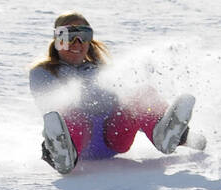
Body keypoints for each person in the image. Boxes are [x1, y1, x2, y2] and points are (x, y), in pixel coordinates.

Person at [30, 13, 206, 175]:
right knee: (68, 112)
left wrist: (190, 139)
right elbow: (48, 105)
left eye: (84, 37)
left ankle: (168, 136)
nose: (77, 43)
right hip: (75, 141)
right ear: (57, 40)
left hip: (114, 137)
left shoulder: (102, 70)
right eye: (68, 36)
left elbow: (124, 95)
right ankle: (60, 155)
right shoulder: (43, 71)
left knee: (142, 94)